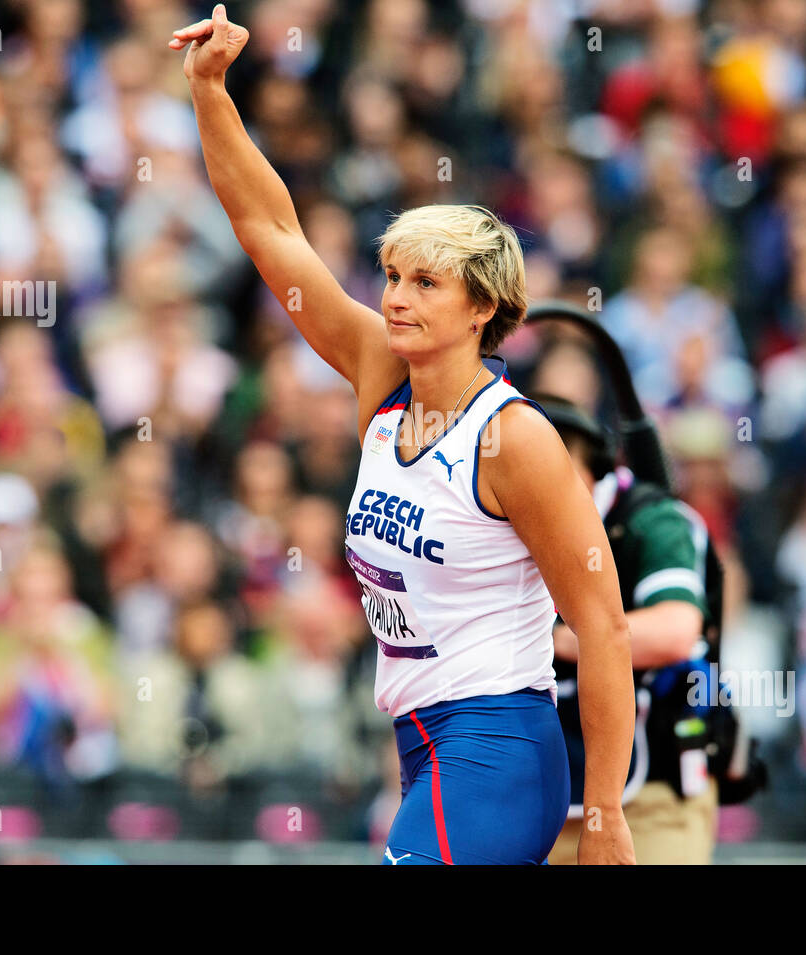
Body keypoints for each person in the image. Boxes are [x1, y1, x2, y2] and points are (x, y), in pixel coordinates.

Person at [170, 5, 636, 865]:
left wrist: (604, 808)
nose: (396, 297)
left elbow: (603, 627)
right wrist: (209, 93)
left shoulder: (513, 439)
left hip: (497, 745)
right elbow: (272, 233)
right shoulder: (381, 376)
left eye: (426, 281)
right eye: (390, 275)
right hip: (421, 744)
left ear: (484, 307)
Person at [533, 393, 719, 864]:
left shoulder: (653, 521)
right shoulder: (489, 524)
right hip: (529, 794)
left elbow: (675, 630)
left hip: (652, 796)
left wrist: (552, 638)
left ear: (585, 462)